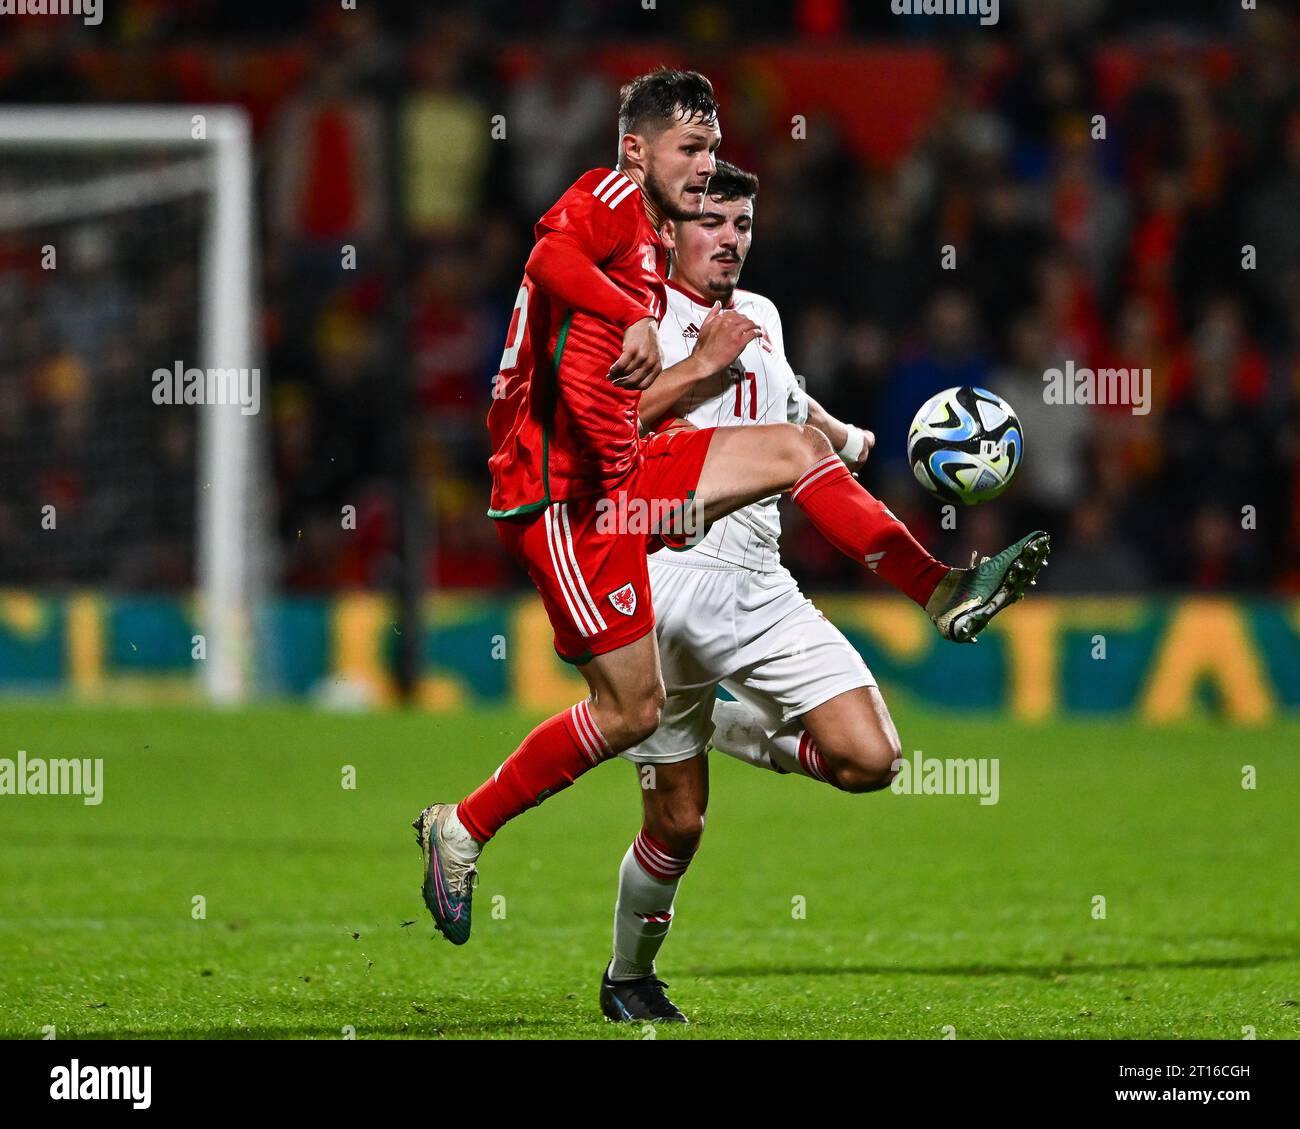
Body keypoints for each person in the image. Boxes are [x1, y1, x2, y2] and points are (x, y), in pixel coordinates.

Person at [413, 70, 1051, 953]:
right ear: (638, 153)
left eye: (718, 164)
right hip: (567, 493)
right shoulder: (613, 218)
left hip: (638, 487)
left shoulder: (692, 277)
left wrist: (839, 431)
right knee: (633, 717)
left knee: (797, 459)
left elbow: (776, 407)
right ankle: (467, 825)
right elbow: (551, 267)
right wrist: (665, 344)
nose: (711, 182)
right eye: (694, 158)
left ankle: (939, 587)